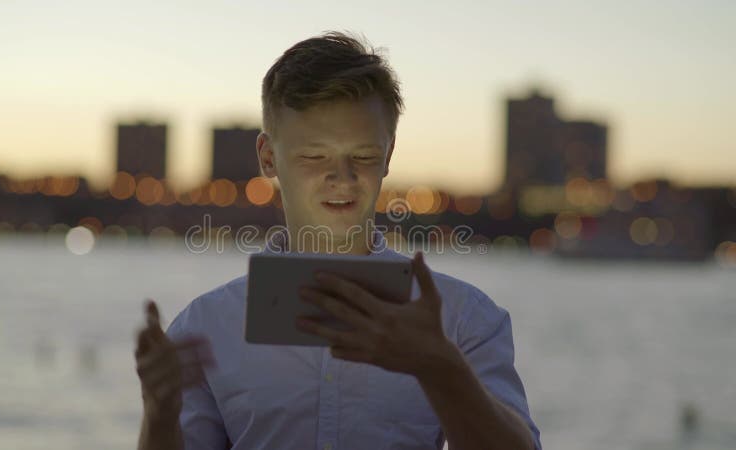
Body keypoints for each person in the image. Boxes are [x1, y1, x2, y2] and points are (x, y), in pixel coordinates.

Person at [135, 30, 542, 450]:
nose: (342, 177)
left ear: (388, 155)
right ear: (268, 157)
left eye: (363, 157)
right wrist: (159, 414)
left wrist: (440, 367)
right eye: (315, 156)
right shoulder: (205, 328)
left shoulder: (464, 319)